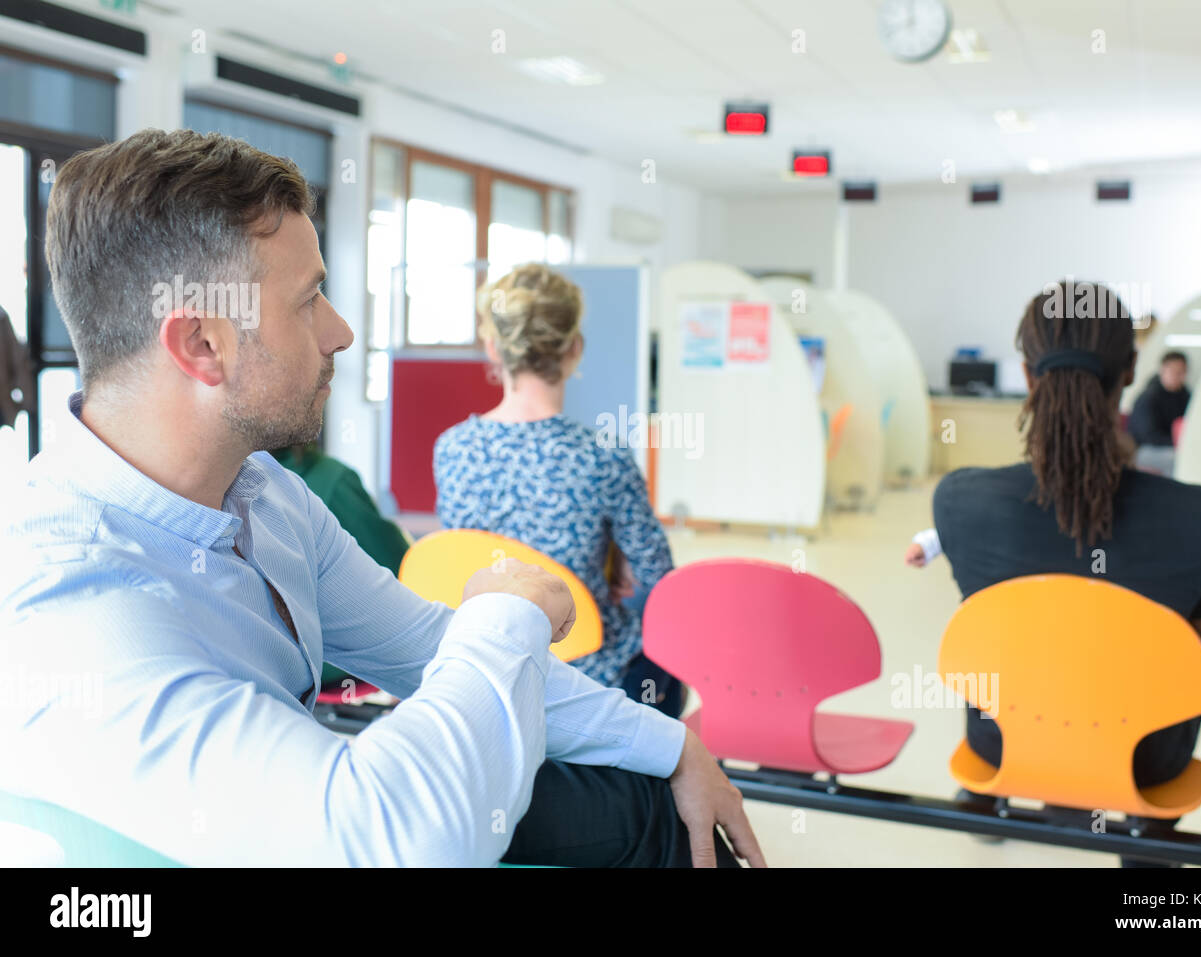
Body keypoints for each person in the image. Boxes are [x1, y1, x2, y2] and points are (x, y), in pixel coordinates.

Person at [0, 129, 763, 868]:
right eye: (309, 301)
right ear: (201, 344)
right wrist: (511, 609)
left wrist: (674, 746)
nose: (340, 331)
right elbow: (396, 841)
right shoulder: (69, 593)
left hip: (319, 816)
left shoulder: (264, 495)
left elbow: (428, 646)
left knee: (645, 800)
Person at [931, 281, 1201, 864]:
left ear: (1026, 376)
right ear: (1129, 371)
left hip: (1003, 743)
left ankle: (988, 790)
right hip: (1145, 757)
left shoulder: (959, 500)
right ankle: (1149, 840)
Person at [435, 263, 684, 717]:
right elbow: (660, 574)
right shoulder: (602, 455)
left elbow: (469, 556)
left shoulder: (452, 449)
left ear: (493, 348)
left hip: (493, 662)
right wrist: (613, 558)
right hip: (589, 670)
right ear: (575, 350)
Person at [271, 441, 412, 687]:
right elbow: (400, 567)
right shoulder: (333, 479)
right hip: (332, 669)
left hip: (275, 673)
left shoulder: (224, 483)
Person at [1127, 350, 1190, 475]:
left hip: (1173, 445)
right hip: (1143, 450)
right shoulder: (1148, 397)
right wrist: (1177, 444)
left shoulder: (1185, 395)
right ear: (1162, 370)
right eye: (1174, 371)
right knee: (1176, 459)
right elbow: (1149, 436)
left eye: (1182, 372)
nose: (1178, 376)